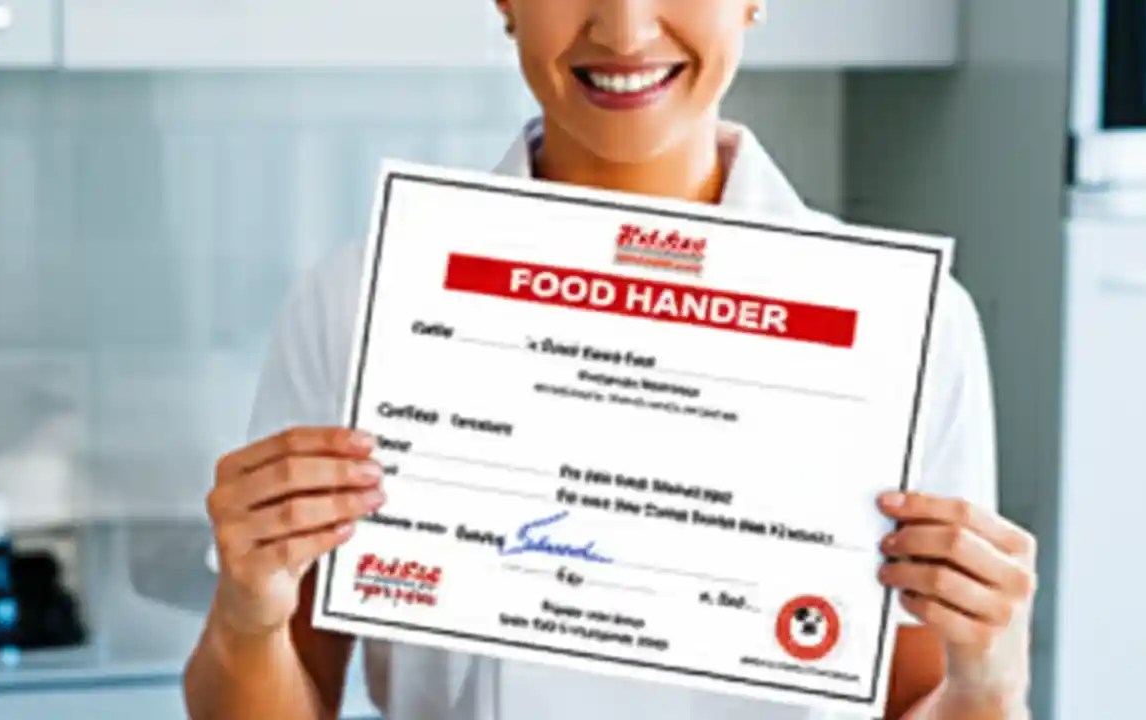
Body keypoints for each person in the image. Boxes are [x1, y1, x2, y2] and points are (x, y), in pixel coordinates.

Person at [183, 2, 1038, 719]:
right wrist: (247, 617)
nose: (625, 31)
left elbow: (921, 701)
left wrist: (990, 675)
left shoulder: (906, 329)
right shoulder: (359, 302)